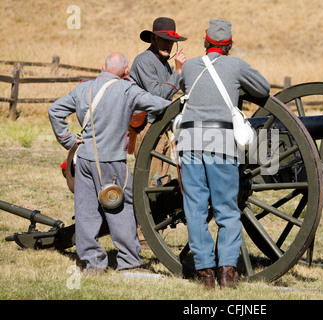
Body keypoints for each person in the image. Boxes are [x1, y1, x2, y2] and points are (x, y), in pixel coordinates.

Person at [48, 52, 171, 273]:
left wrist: (67, 139)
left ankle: (93, 264)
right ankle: (129, 262)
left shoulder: (83, 88)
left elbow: (54, 110)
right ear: (126, 72)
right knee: (121, 211)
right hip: (112, 161)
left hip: (84, 160)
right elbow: (161, 106)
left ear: (102, 66)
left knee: (86, 212)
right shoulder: (127, 90)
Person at [177, 20, 270, 289]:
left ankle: (205, 273)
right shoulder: (236, 65)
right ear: (229, 45)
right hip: (221, 143)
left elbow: (182, 86)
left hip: (191, 142)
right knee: (227, 209)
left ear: (205, 42)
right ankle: (227, 272)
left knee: (194, 209)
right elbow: (263, 89)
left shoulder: (192, 65)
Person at [129, 17, 187, 186]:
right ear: (153, 39)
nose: (168, 44)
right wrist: (177, 72)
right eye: (163, 40)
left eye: (171, 41)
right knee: (152, 180)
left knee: (163, 176)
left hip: (160, 126)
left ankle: (159, 210)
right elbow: (157, 94)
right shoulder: (144, 61)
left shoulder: (164, 64)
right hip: (146, 125)